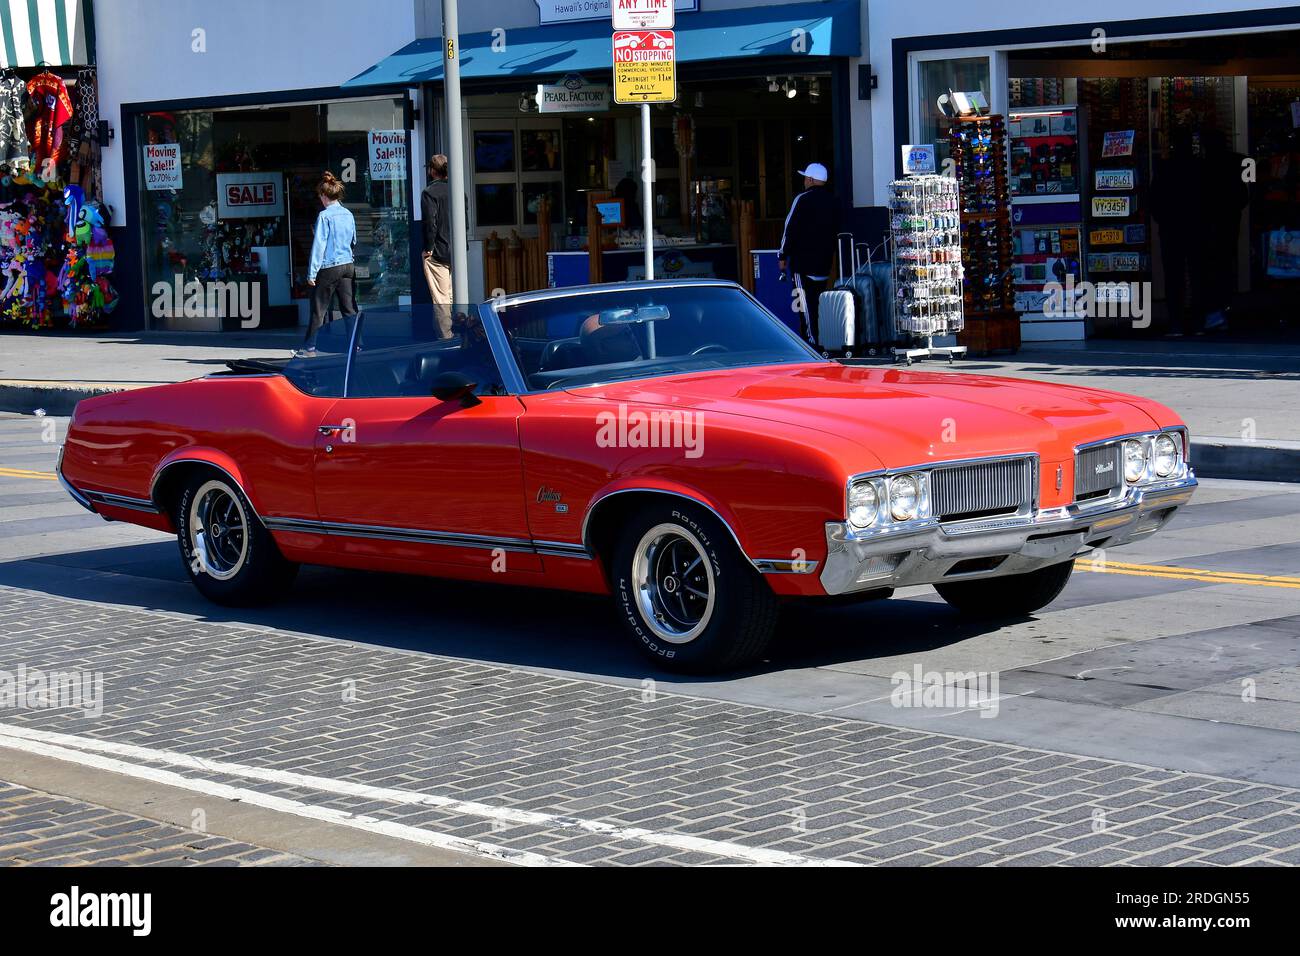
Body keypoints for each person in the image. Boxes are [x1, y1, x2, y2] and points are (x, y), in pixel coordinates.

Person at [778, 162, 842, 345]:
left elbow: (789, 228)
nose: (805, 181)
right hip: (824, 263)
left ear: (811, 179)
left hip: (802, 263)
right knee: (818, 304)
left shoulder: (802, 199)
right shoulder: (833, 201)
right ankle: (822, 340)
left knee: (803, 306)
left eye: (806, 178)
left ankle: (810, 343)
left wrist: (782, 256)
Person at [298, 171, 357, 356]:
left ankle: (309, 348)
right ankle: (356, 345)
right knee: (349, 309)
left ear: (324, 196)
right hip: (348, 264)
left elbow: (319, 246)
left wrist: (311, 273)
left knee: (319, 309)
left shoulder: (325, 216)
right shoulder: (348, 213)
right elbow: (353, 240)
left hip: (330, 266)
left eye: (320, 197)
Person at [1150, 130, 1202, 337]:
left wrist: (1163, 219)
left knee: (1173, 277)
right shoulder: (1200, 167)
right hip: (1197, 227)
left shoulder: (1165, 168)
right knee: (1198, 275)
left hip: (1172, 229)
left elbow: (1154, 199)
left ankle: (1176, 323)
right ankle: (1198, 322)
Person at [421, 154, 453, 339]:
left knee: (441, 299)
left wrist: (428, 248)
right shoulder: (457, 191)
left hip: (438, 252)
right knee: (451, 296)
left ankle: (446, 338)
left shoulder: (429, 193)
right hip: (455, 252)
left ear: (432, 171)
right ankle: (456, 333)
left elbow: (430, 223)